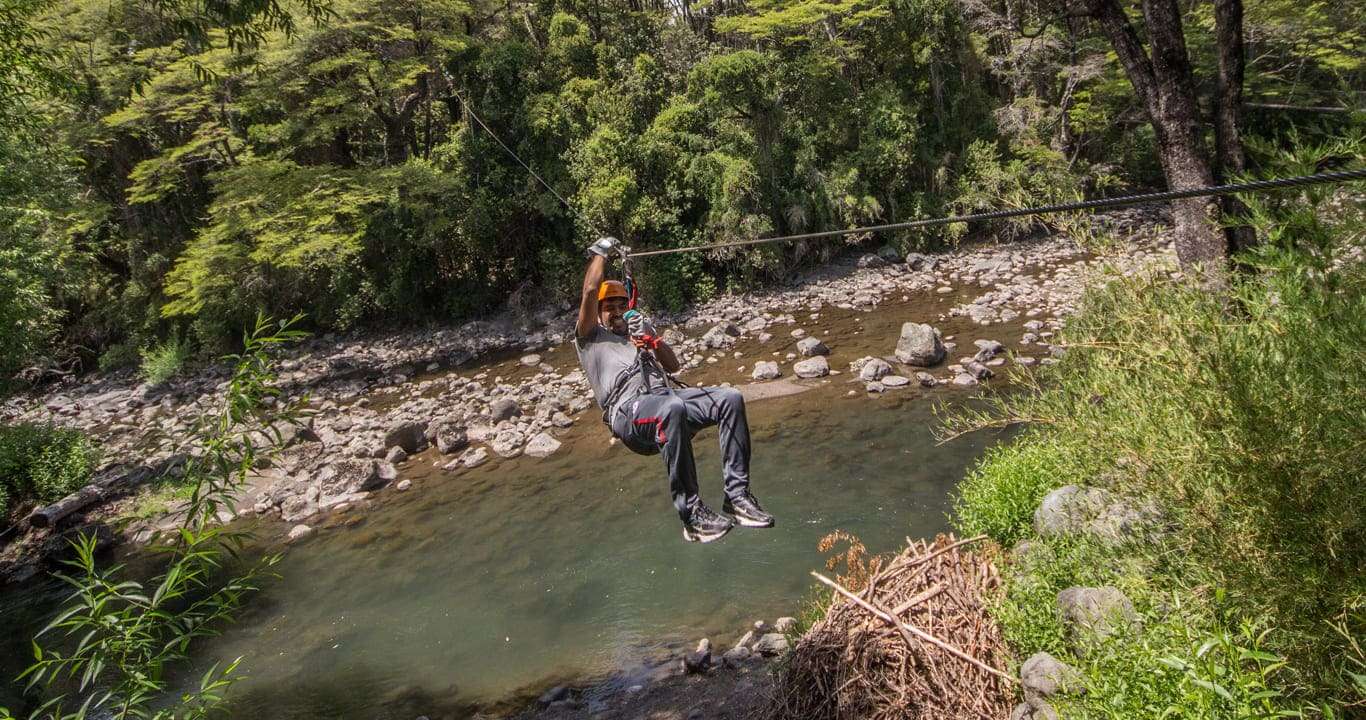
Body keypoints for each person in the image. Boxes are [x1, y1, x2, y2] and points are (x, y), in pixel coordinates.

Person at [574, 236, 774, 543]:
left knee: (729, 399)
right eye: (608, 307)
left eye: (619, 305)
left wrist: (651, 342)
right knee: (672, 408)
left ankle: (737, 497)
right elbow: (589, 290)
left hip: (666, 401)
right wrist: (601, 251)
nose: (614, 311)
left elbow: (674, 366)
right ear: (598, 312)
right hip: (630, 414)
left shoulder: (637, 331)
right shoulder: (591, 339)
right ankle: (691, 514)